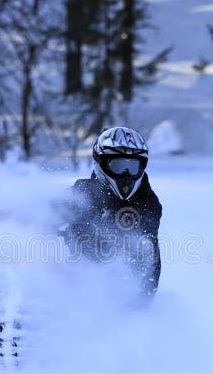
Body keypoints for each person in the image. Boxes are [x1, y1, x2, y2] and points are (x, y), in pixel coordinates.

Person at [63, 127, 162, 296]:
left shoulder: (147, 204)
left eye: (132, 167)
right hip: (69, 284)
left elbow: (147, 257)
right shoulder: (82, 192)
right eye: (118, 166)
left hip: (120, 294)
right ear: (100, 163)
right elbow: (46, 209)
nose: (126, 175)